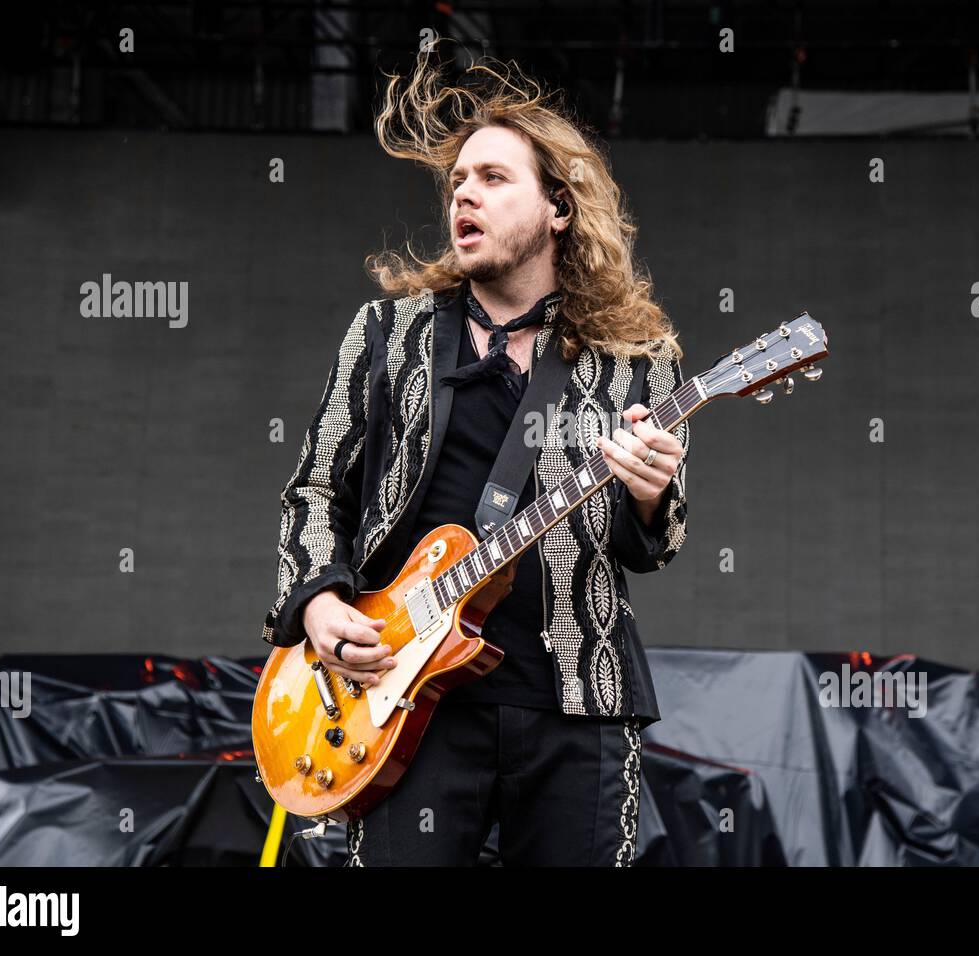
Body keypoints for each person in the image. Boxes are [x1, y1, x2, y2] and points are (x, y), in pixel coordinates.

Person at [261, 41, 690, 866]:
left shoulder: (638, 362)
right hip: (404, 699)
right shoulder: (387, 335)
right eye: (458, 180)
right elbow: (314, 491)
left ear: (559, 208)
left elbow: (658, 542)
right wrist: (318, 606)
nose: (464, 192)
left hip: (578, 698)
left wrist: (647, 493)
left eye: (493, 177)